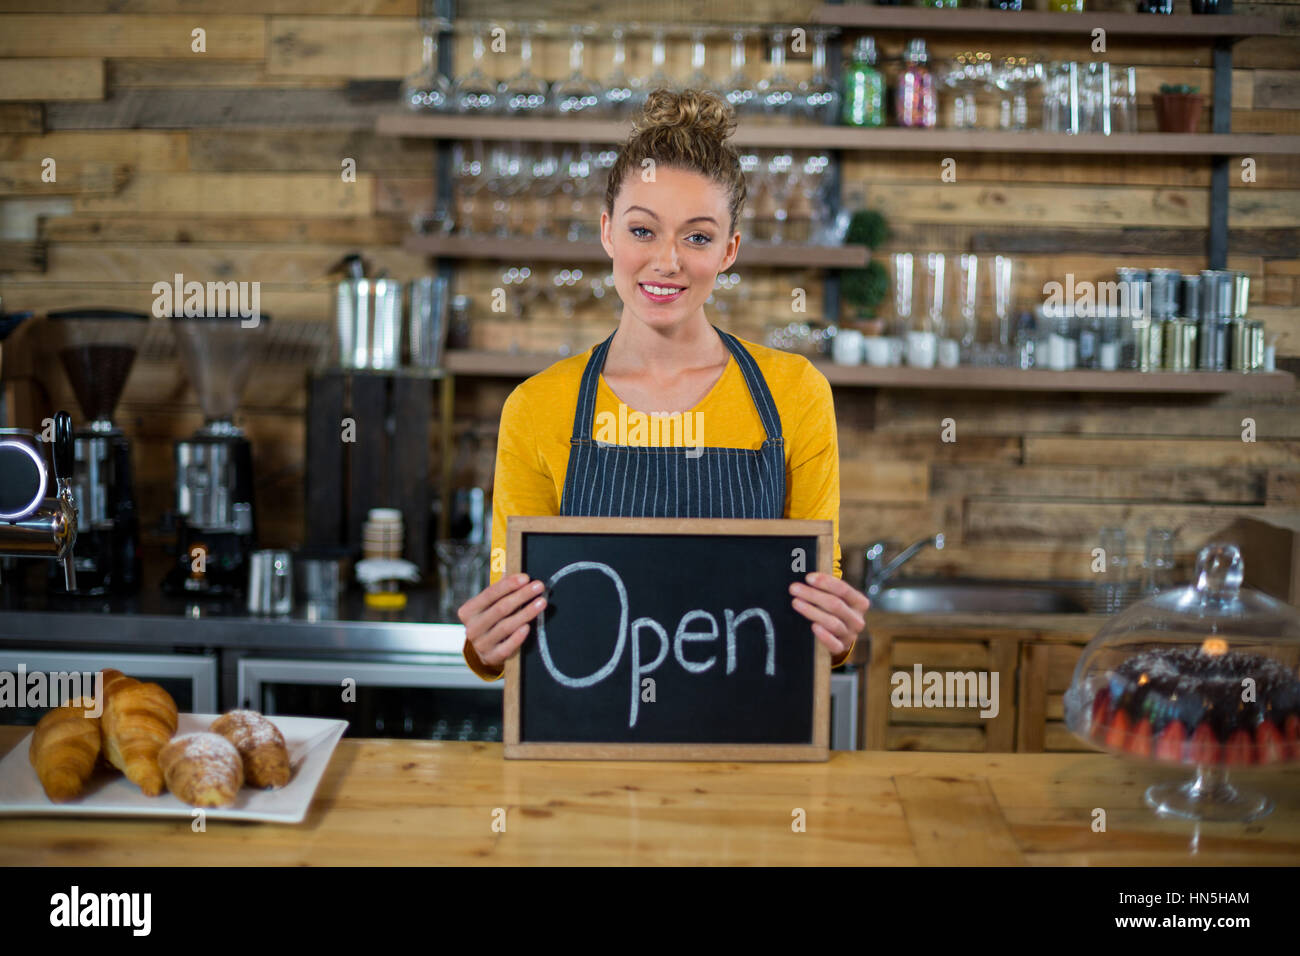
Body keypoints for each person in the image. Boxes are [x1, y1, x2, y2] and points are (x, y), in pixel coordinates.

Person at [460, 88, 869, 681]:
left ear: (729, 250)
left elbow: (815, 606)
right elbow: (510, 606)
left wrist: (835, 632)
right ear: (607, 233)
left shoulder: (794, 392)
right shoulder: (537, 406)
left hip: (743, 741)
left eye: (697, 237)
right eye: (642, 231)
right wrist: (487, 643)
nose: (667, 261)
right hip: (584, 741)